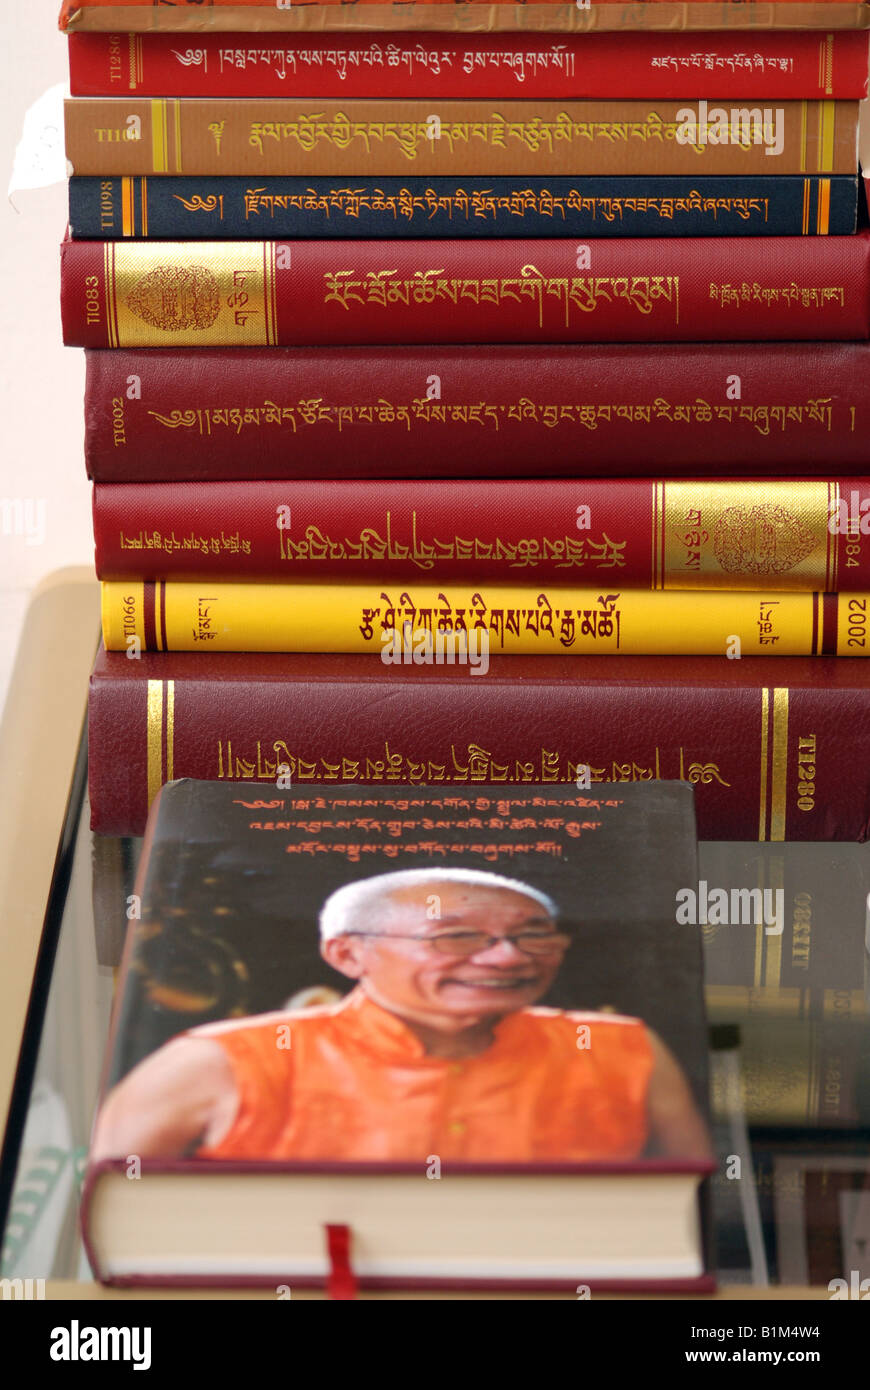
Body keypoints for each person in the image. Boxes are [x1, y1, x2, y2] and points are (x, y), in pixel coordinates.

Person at [90, 867, 712, 1164]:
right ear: (347, 952)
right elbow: (112, 1228)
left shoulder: (622, 1053)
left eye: (533, 934)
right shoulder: (217, 1064)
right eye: (458, 935)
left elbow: (692, 1210)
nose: (506, 957)